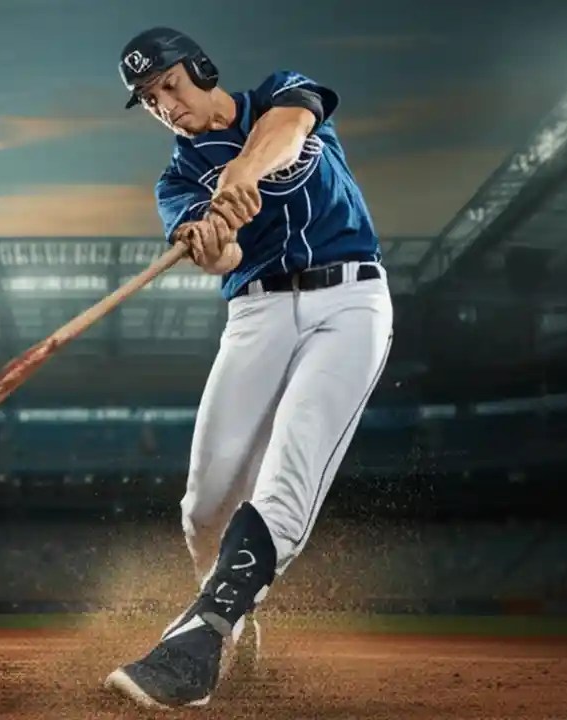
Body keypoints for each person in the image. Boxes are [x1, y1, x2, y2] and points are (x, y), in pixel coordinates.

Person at [103, 28, 394, 708]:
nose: (164, 105)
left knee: (290, 465)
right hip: (257, 313)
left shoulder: (278, 94)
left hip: (350, 301)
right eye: (148, 100)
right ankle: (235, 614)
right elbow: (220, 262)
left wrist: (240, 175)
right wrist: (213, 234)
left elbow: (289, 132)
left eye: (169, 85)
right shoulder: (176, 179)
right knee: (203, 506)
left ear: (200, 68)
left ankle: (202, 635)